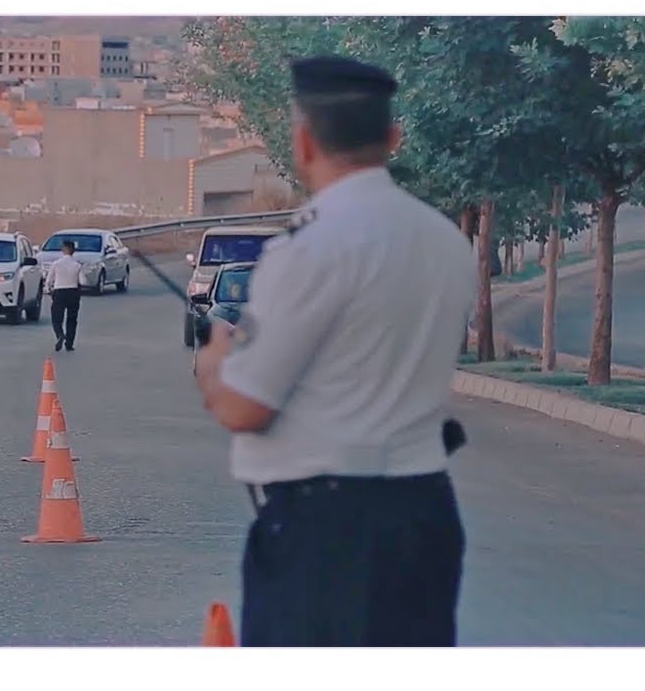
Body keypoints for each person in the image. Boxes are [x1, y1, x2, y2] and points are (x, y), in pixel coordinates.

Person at [191, 55, 478, 647]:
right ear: (392, 138)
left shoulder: (309, 247)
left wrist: (215, 362)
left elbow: (245, 408)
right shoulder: (446, 240)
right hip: (426, 516)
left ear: (302, 142)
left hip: (328, 534)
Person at [45, 239, 83, 352]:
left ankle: (60, 334)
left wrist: (48, 289)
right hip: (73, 292)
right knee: (72, 319)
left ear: (63, 250)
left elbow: (49, 280)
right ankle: (69, 344)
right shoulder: (77, 265)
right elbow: (83, 281)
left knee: (56, 317)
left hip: (59, 291)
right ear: (73, 251)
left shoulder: (56, 264)